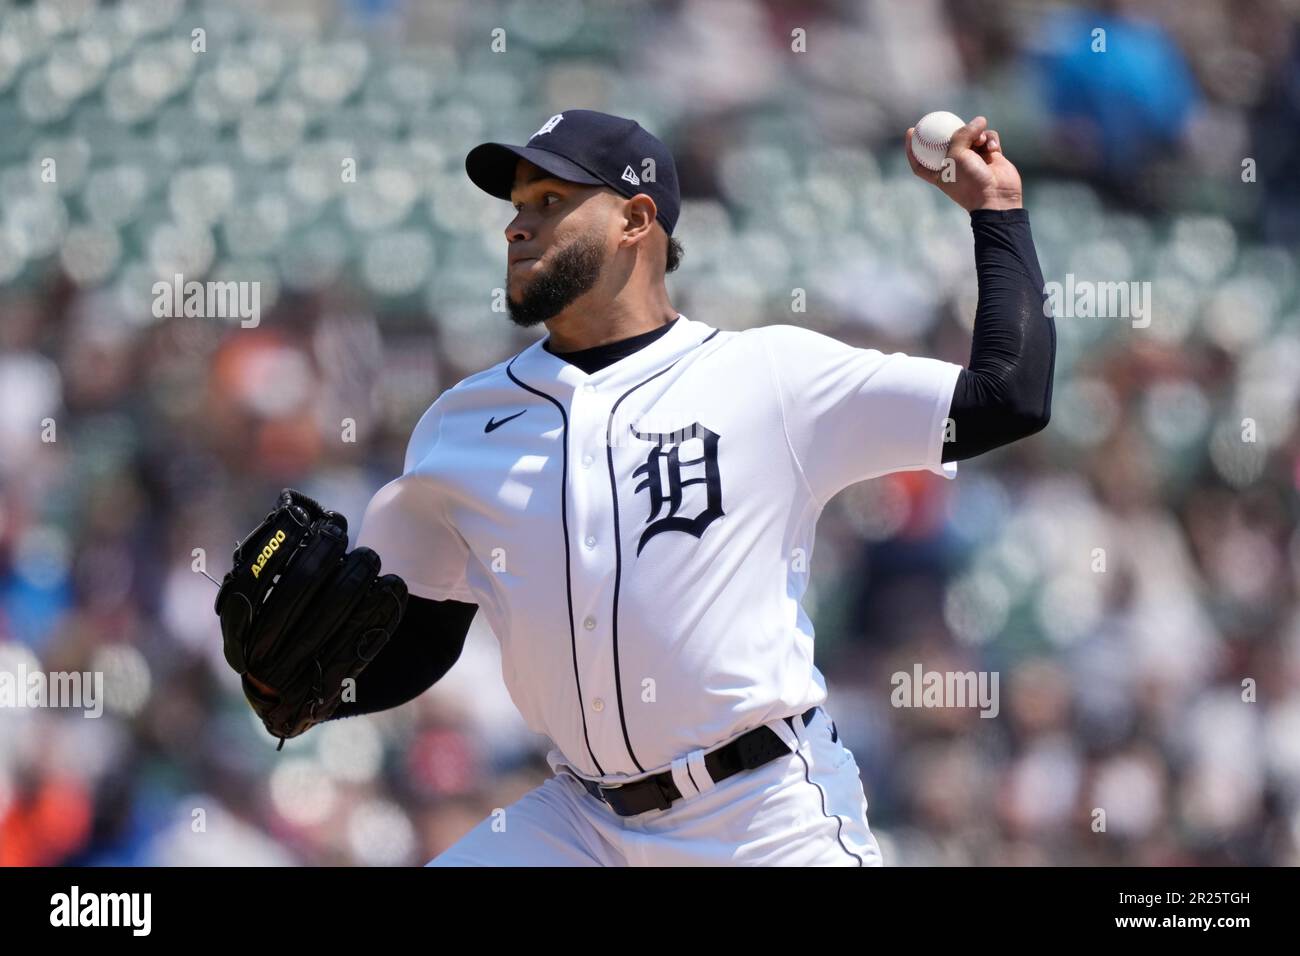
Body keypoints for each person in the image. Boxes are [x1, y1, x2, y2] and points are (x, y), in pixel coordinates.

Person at [342, 108, 1053, 865]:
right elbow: (418, 644)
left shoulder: (768, 377)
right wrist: (298, 690)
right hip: (580, 823)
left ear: (635, 220)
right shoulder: (462, 422)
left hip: (762, 816)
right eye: (517, 206)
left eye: (550, 202)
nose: (517, 227)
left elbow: (1008, 398)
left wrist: (997, 212)